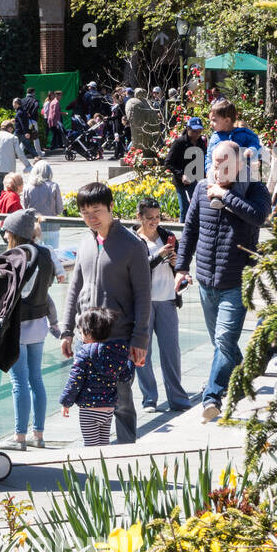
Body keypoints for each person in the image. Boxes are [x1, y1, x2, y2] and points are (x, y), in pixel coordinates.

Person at [175, 140, 272, 422]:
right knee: (223, 345)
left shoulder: (255, 189)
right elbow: (190, 229)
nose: (218, 171)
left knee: (223, 338)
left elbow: (258, 216)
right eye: (215, 165)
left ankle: (212, 397)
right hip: (206, 280)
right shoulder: (203, 191)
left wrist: (225, 196)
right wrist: (181, 267)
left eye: (225, 165)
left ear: (240, 165)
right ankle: (241, 377)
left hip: (236, 281)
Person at [59, 181, 152, 445]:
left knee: (121, 403)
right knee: (88, 402)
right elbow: (74, 287)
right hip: (85, 338)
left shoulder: (133, 246)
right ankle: (95, 453)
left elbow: (143, 296)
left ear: (111, 207)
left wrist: (140, 339)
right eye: (85, 212)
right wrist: (66, 330)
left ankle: (125, 454)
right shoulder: (85, 242)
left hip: (118, 340)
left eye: (96, 210)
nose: (91, 218)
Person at [0, 210, 56, 450]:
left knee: (19, 382)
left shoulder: (13, 256)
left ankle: (19, 437)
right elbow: (49, 285)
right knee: (36, 379)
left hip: (16, 328)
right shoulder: (45, 254)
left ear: (13, 234)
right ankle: (39, 434)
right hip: (39, 325)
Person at [131, 198, 191, 412]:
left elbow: (182, 265)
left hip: (167, 299)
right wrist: (159, 256)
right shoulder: (133, 240)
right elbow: (137, 270)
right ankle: (149, 398)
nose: (154, 222)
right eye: (149, 218)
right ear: (139, 217)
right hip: (143, 304)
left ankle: (177, 398)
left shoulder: (168, 237)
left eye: (157, 217)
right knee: (141, 352)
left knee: (171, 352)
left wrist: (179, 266)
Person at [59, 306, 135, 447]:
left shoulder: (84, 353)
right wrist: (130, 361)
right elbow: (125, 376)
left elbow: (75, 380)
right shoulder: (116, 352)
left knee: (91, 447)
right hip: (108, 409)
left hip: (89, 410)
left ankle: (92, 469)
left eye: (81, 332)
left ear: (88, 333)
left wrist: (66, 402)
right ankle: (103, 468)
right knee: (103, 446)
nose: (80, 335)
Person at [204, 99, 263, 200]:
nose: (211, 123)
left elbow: (255, 144)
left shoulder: (243, 134)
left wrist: (251, 150)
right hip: (219, 170)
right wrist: (208, 167)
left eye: (214, 120)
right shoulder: (215, 137)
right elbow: (209, 155)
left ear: (227, 120)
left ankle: (236, 197)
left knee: (245, 171)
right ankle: (215, 198)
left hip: (238, 170)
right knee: (211, 172)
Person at [165, 117, 207, 222]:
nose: (197, 134)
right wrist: (181, 175)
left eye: (199, 131)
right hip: (182, 182)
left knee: (197, 209)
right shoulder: (179, 143)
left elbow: (203, 159)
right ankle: (183, 233)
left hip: (197, 180)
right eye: (194, 131)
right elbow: (168, 162)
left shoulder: (201, 142)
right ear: (188, 129)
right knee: (185, 209)